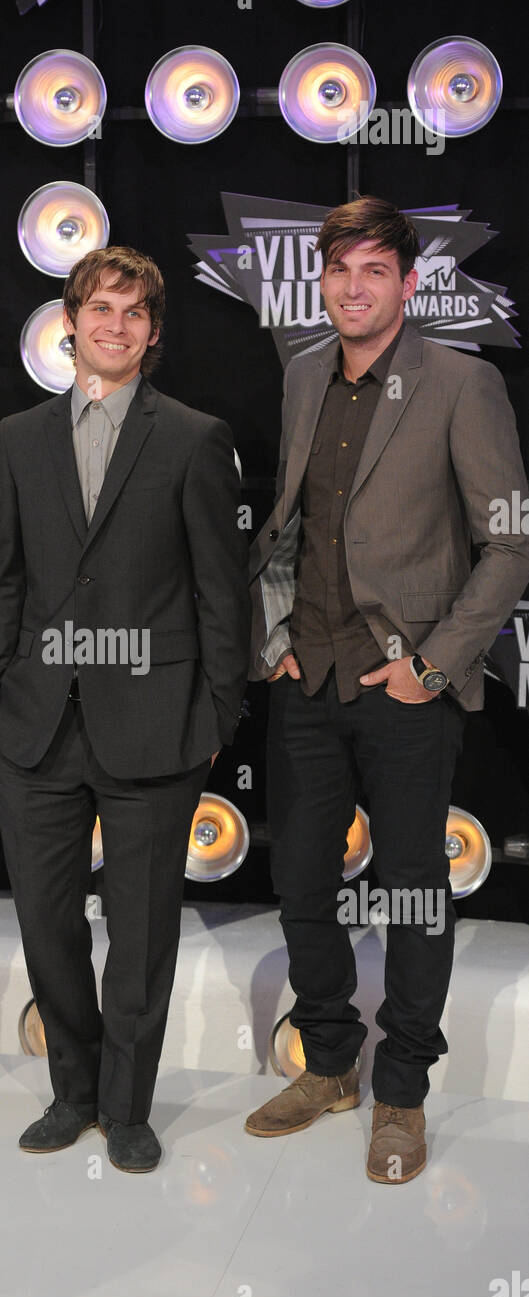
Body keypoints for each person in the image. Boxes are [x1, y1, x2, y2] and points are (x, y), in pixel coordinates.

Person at [246, 195, 529, 1183]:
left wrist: (431, 664)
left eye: (374, 271)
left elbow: (509, 542)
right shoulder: (299, 374)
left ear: (409, 283)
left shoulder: (461, 382)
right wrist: (270, 632)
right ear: (319, 280)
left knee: (411, 893)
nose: (354, 289)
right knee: (300, 888)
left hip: (402, 688)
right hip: (307, 678)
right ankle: (329, 1063)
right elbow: (285, 521)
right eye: (339, 271)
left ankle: (399, 1086)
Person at [0, 246, 249, 1172]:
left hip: (158, 725)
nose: (115, 325)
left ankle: (126, 1109)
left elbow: (222, 590)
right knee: (47, 926)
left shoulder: (192, 436)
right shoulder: (17, 437)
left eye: (133, 313)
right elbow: (2, 580)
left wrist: (216, 712)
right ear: (70, 322)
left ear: (154, 332)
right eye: (99, 307)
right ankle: (72, 1092)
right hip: (35, 723)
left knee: (139, 933)